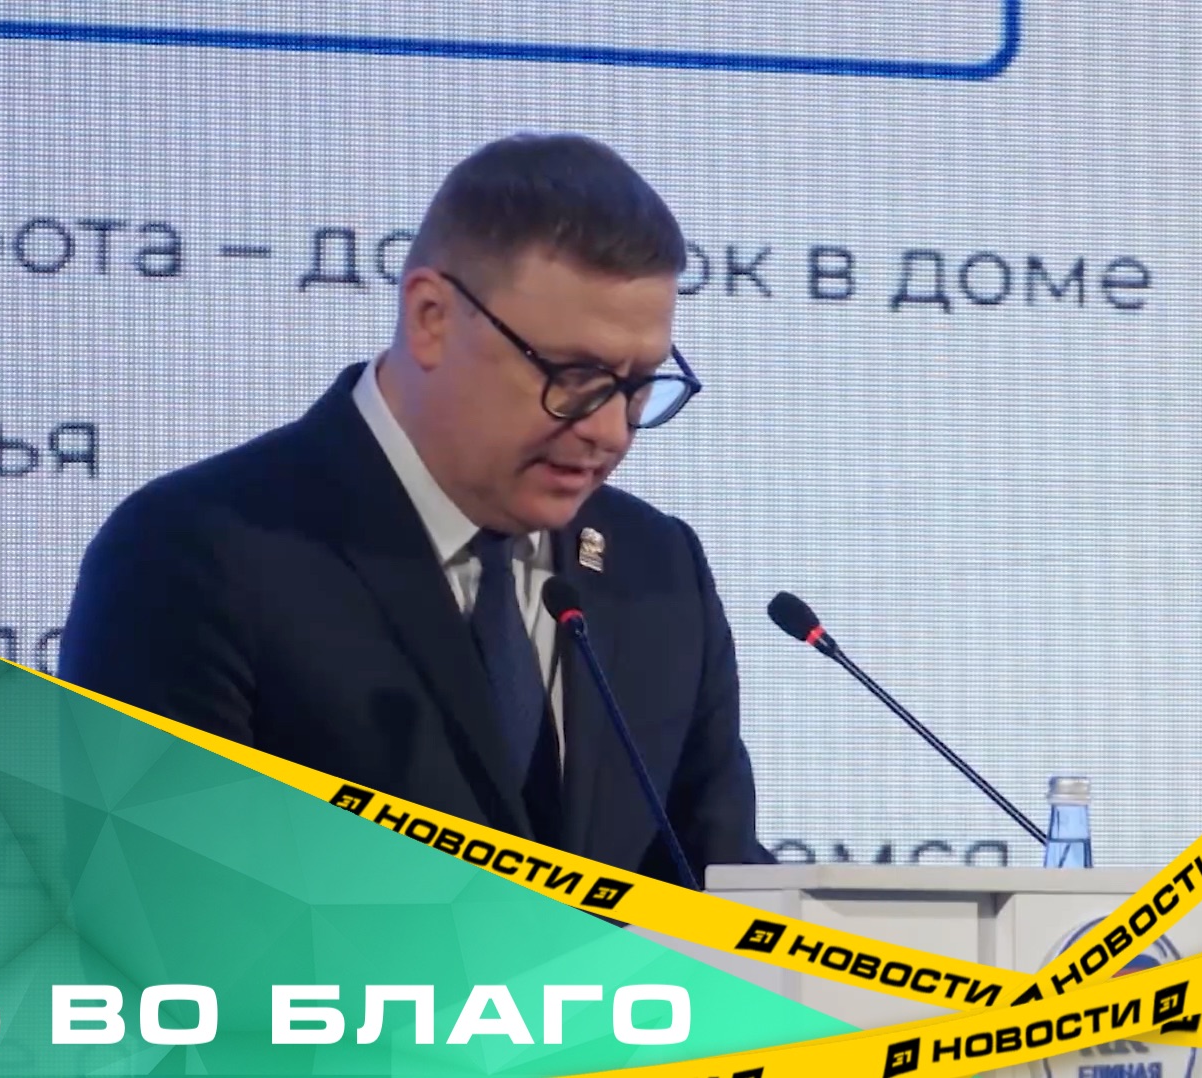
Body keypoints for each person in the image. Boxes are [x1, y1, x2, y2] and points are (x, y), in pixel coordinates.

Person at [59, 133, 770, 885]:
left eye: (639, 384)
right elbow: (149, 901)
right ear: (432, 317)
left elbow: (718, 886)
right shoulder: (195, 554)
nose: (610, 430)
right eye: (575, 376)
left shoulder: (657, 570)